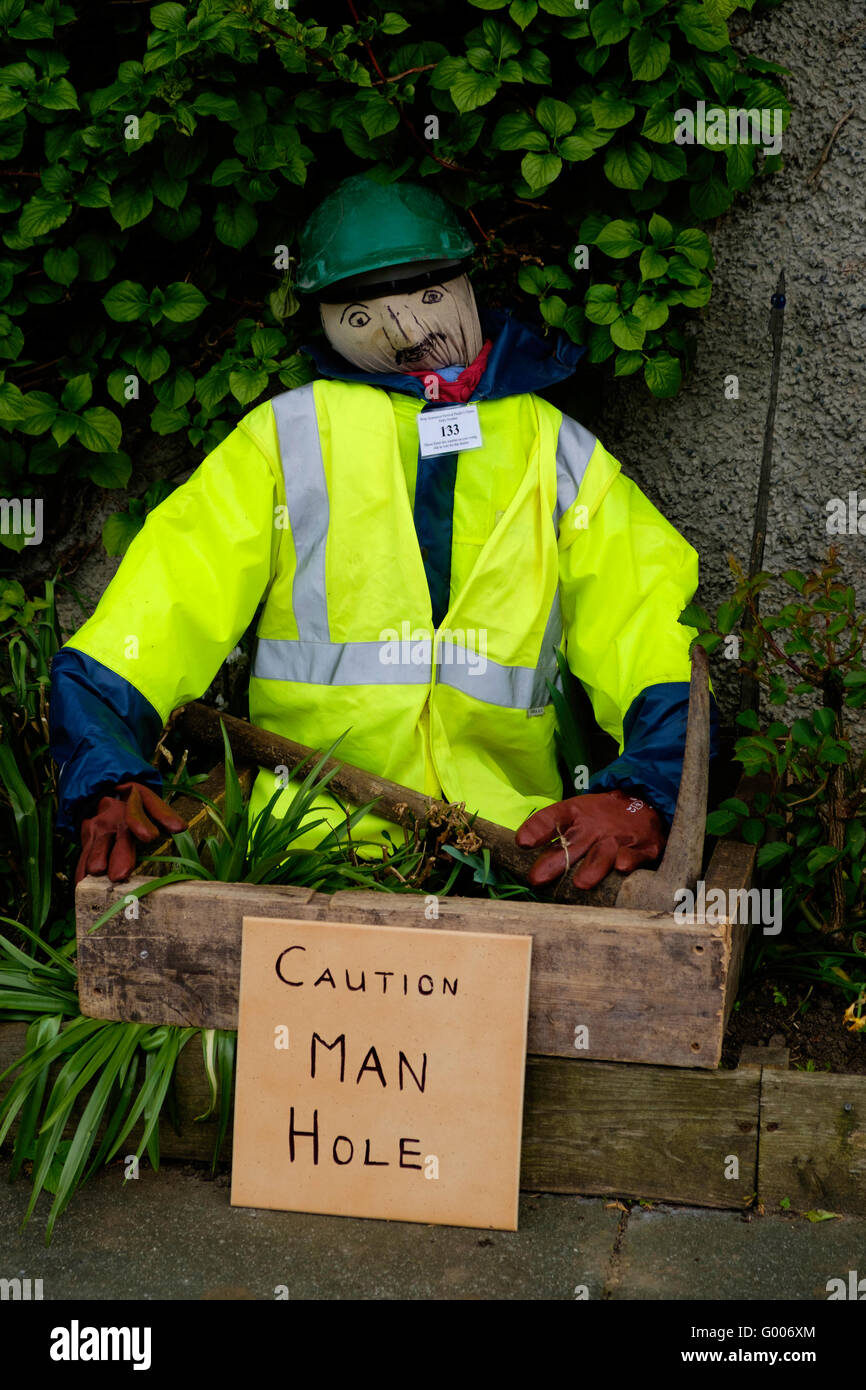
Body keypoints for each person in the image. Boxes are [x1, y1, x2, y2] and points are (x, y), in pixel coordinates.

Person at [49, 173, 717, 894]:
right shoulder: (285, 443)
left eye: (426, 294)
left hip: (510, 850)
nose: (404, 329)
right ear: (326, 317)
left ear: (466, 284)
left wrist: (646, 790)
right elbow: (160, 609)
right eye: (363, 310)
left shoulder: (555, 456)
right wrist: (106, 772)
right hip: (306, 851)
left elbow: (646, 629)